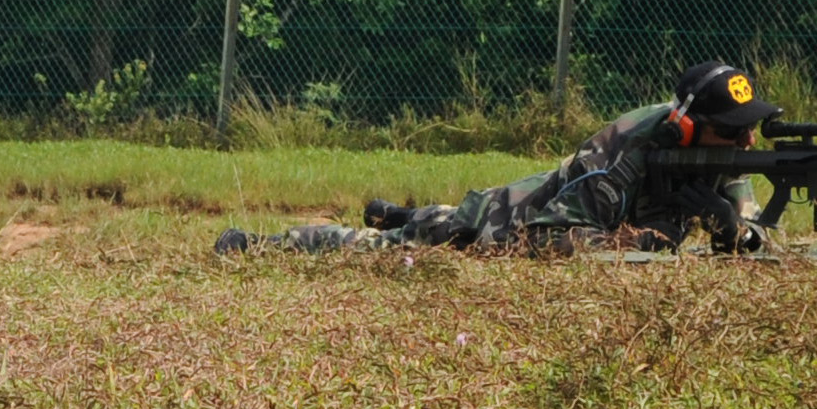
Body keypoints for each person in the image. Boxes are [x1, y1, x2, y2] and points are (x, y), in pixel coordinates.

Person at [216, 62, 782, 255]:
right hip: (507, 219)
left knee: (428, 221)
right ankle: (266, 244)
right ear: (687, 128)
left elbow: (758, 237)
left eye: (748, 130)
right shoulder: (623, 154)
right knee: (402, 246)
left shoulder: (720, 154)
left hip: (528, 212)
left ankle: (401, 211)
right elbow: (548, 238)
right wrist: (646, 243)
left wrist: (738, 233)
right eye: (731, 133)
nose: (746, 144)